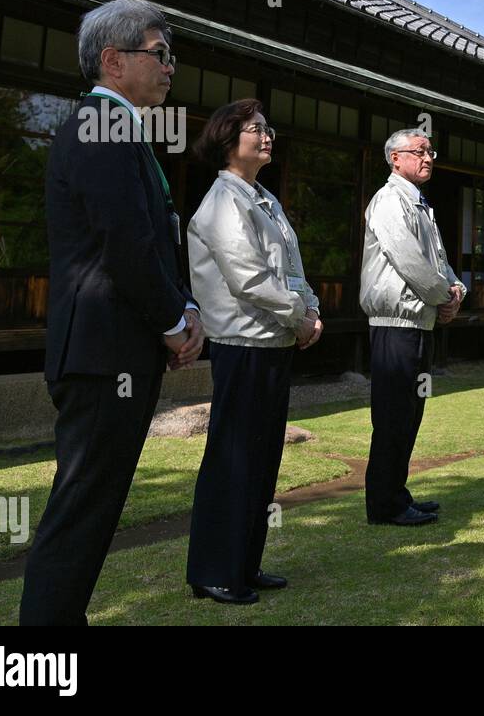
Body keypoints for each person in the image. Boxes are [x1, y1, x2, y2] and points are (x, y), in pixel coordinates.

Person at [21, 0, 203, 625]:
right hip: (102, 353)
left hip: (115, 351)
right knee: (80, 509)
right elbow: (125, 242)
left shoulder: (121, 129)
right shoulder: (102, 125)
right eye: (160, 53)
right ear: (113, 60)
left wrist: (179, 305)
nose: (170, 67)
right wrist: (177, 324)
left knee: (91, 507)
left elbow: (149, 237)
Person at [184, 99, 323, 605]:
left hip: (272, 341)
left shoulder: (263, 197)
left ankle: (245, 563)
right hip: (241, 343)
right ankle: (213, 570)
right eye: (254, 129)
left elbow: (291, 266)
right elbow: (248, 279)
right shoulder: (223, 200)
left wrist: (309, 308)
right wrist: (299, 314)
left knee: (263, 458)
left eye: (268, 128)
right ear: (227, 139)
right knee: (233, 457)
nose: (266, 137)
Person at [360, 129, 465, 526]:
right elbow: (410, 262)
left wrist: (456, 292)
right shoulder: (389, 201)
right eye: (419, 151)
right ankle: (384, 504)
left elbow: (437, 261)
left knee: (409, 414)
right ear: (395, 159)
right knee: (391, 416)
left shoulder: (419, 203)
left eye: (430, 151)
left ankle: (396, 494)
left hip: (418, 320)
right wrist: (444, 296)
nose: (428, 158)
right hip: (395, 322)